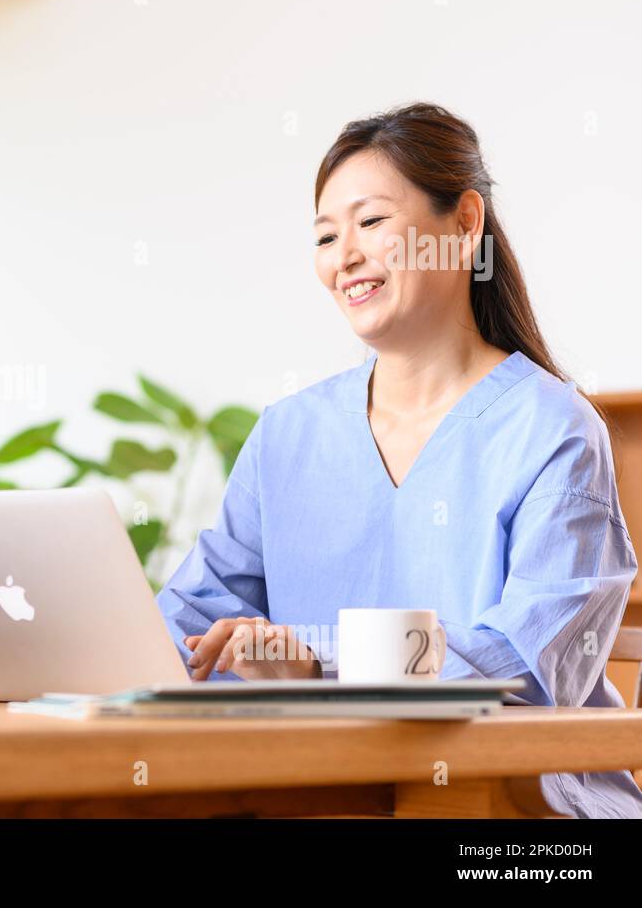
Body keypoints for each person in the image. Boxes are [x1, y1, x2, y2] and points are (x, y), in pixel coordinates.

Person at [157, 102, 642, 818]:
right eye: (325, 235)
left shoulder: (552, 430)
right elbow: (190, 624)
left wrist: (314, 665)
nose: (343, 255)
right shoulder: (288, 434)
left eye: (371, 222)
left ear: (464, 223)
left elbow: (525, 669)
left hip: (517, 820)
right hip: (325, 796)